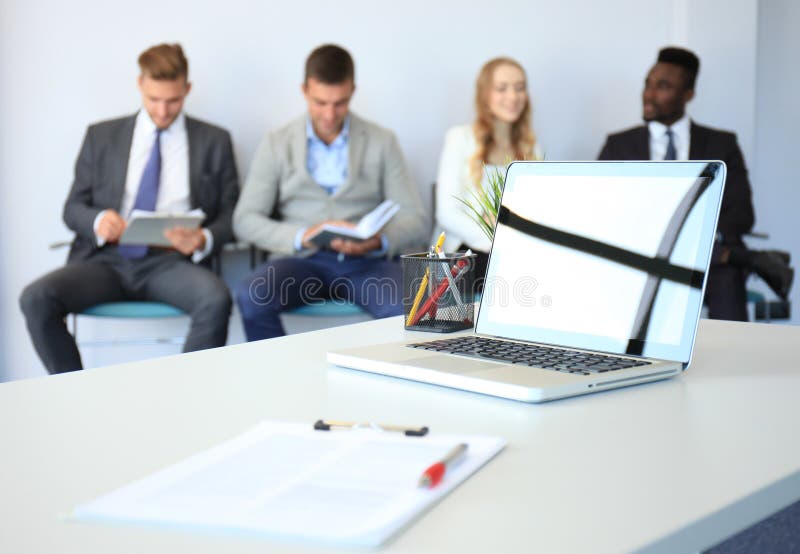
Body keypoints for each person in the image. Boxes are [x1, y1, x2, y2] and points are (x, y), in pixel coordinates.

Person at [19, 43, 239, 374]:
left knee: (216, 299)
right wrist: (98, 221)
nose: (162, 111)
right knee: (36, 298)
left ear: (187, 89)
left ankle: (188, 392)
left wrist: (203, 238)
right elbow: (72, 208)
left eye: (173, 100)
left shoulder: (214, 141)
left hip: (171, 263)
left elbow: (231, 215)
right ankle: (74, 390)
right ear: (139, 84)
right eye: (154, 99)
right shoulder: (101, 137)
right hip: (105, 261)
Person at [233, 44, 426, 341]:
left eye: (340, 103)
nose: (329, 114)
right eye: (320, 102)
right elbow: (245, 219)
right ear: (304, 90)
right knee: (252, 295)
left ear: (352, 91)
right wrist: (302, 236)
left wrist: (378, 240)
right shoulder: (277, 143)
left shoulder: (382, 141)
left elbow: (416, 218)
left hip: (366, 263)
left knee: (412, 306)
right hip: (300, 261)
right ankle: (279, 368)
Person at [598, 46, 792, 321]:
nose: (649, 94)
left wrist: (691, 241)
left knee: (727, 278)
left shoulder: (722, 144)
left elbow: (741, 215)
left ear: (688, 94)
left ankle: (732, 348)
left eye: (663, 86)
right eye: (648, 84)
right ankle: (737, 257)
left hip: (705, 261)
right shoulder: (618, 146)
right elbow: (602, 211)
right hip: (640, 256)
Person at [435, 57, 542, 286]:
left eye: (520, 88)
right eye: (502, 88)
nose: (513, 96)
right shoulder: (459, 138)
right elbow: (447, 214)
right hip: (467, 253)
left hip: (516, 251)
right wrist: (496, 238)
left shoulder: (532, 148)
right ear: (484, 94)